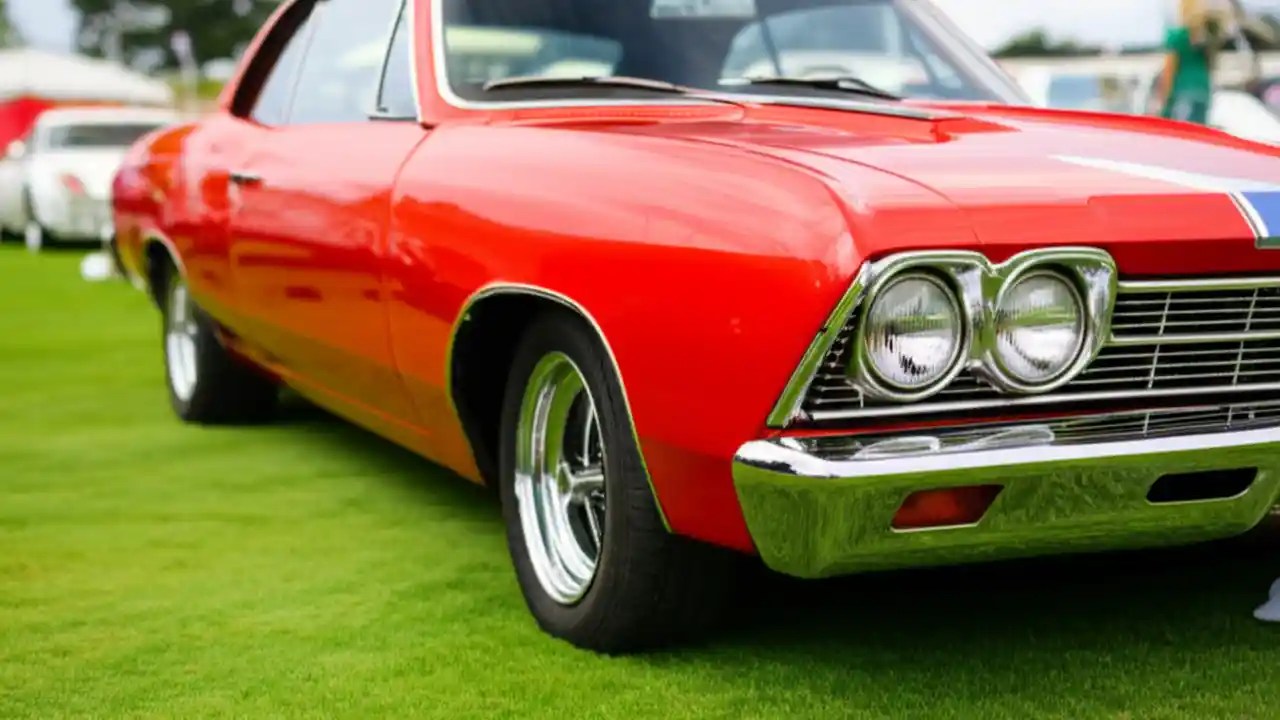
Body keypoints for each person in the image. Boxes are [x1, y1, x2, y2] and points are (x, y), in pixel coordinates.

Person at [1155, 0, 1216, 124]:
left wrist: (1163, 102)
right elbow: (1210, 65)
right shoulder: (1206, 39)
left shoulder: (1176, 36)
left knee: (1181, 135)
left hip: (1182, 92)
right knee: (1198, 134)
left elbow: (1170, 69)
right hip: (1202, 92)